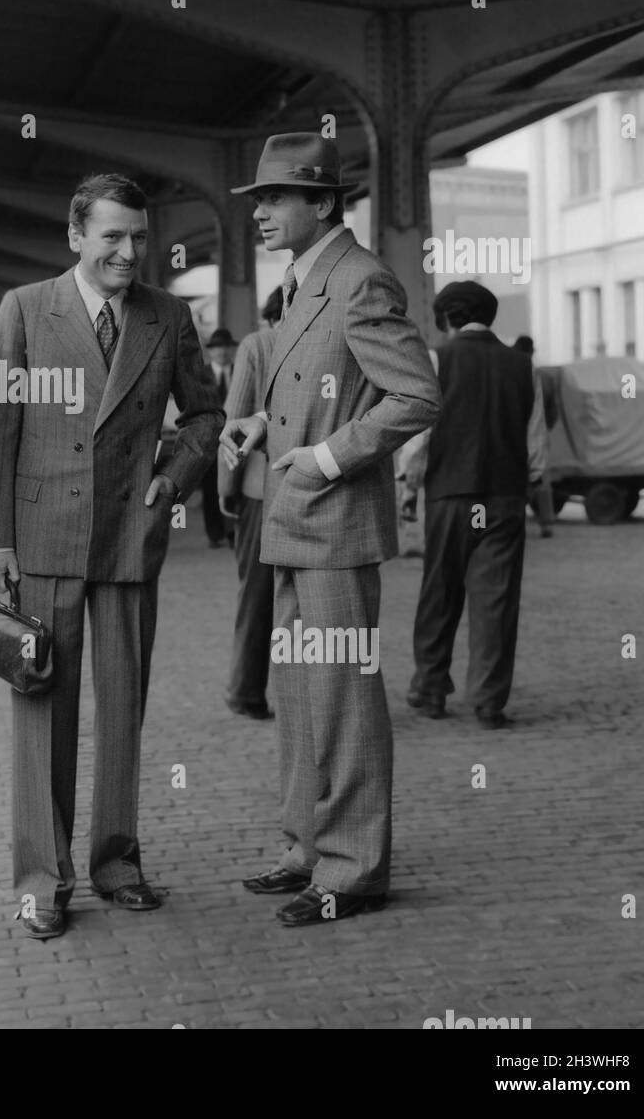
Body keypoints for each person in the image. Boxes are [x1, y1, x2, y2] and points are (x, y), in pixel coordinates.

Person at [0, 172, 223, 940]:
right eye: (112, 235)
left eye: (139, 237)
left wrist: (173, 478)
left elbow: (207, 415)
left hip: (127, 537)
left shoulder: (168, 315)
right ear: (76, 234)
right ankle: (41, 882)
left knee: (122, 712)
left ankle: (117, 863)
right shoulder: (24, 309)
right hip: (42, 541)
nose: (128, 251)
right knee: (42, 711)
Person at [220, 133, 440, 928]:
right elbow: (318, 389)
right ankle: (305, 846)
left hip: (335, 526)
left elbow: (416, 394)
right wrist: (259, 423)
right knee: (299, 697)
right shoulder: (306, 280)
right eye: (258, 200)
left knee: (343, 700)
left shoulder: (360, 278)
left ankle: (353, 871)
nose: (262, 212)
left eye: (276, 197)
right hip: (296, 526)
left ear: (322, 201)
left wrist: (325, 456)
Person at [404, 285, 547, 728]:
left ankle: (430, 689)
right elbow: (535, 439)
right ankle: (488, 701)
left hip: (449, 494)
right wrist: (530, 480)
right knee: (496, 600)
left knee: (440, 592)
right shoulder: (523, 365)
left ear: (447, 318)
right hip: (504, 496)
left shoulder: (435, 360)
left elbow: (419, 432)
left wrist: (409, 485)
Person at [218, 288, 284, 718]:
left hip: (261, 490)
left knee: (256, 595)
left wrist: (226, 489)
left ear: (268, 315)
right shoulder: (330, 336)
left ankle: (247, 691)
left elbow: (234, 423)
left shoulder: (257, 345)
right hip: (317, 486)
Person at [513, 335, 556, 538]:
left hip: (512, 436)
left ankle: (515, 522)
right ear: (532, 352)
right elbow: (553, 412)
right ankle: (546, 524)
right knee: (541, 482)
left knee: (514, 483)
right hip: (538, 435)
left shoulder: (507, 372)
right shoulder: (545, 378)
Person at [201, 328, 237, 547]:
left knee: (233, 486)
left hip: (235, 441)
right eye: (217, 348)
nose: (222, 352)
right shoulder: (201, 374)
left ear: (231, 350)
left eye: (226, 347)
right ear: (211, 351)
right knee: (210, 488)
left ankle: (233, 532)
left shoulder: (240, 370)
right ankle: (214, 534)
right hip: (208, 442)